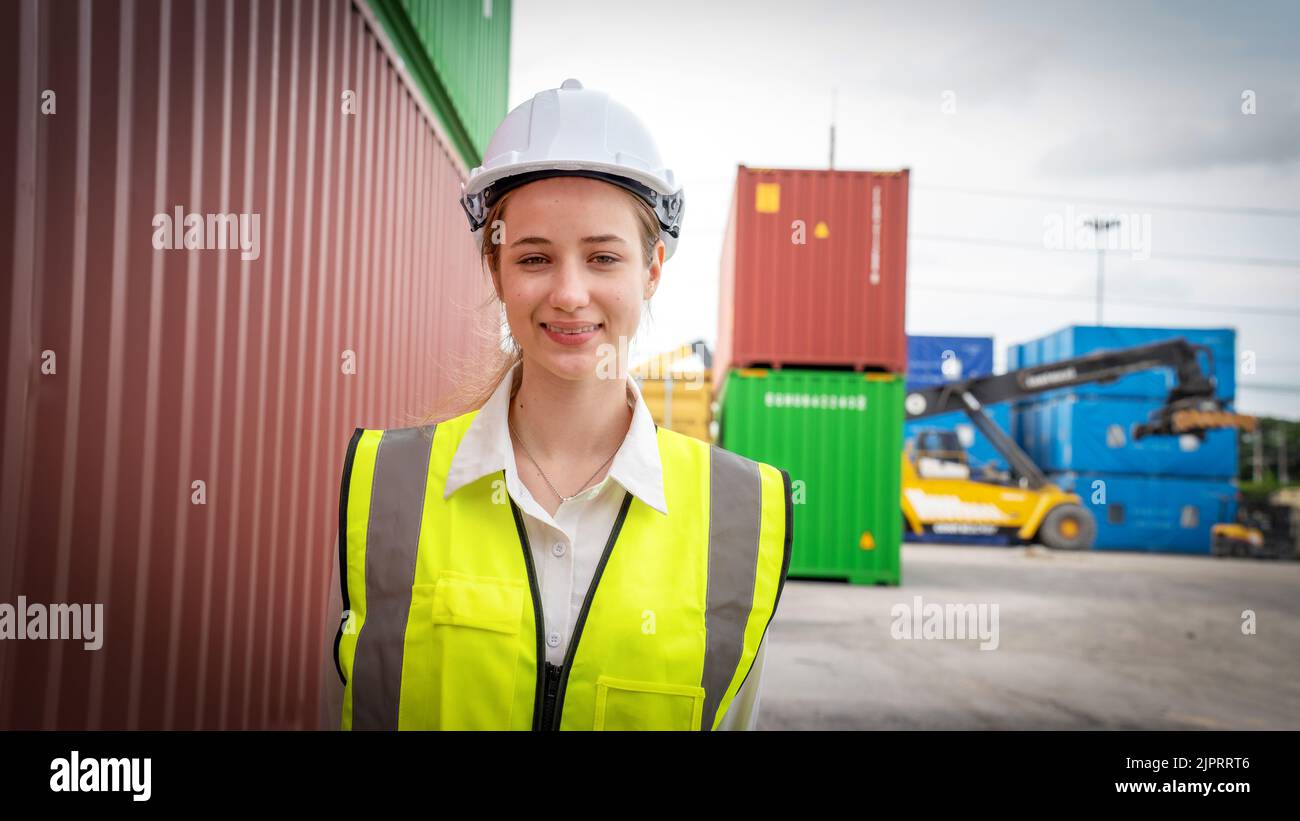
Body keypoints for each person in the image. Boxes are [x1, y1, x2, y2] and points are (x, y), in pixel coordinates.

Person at [319, 79, 792, 731]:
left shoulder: (742, 516)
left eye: (603, 256)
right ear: (497, 270)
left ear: (652, 269)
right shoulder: (386, 490)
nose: (570, 293)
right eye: (535, 257)